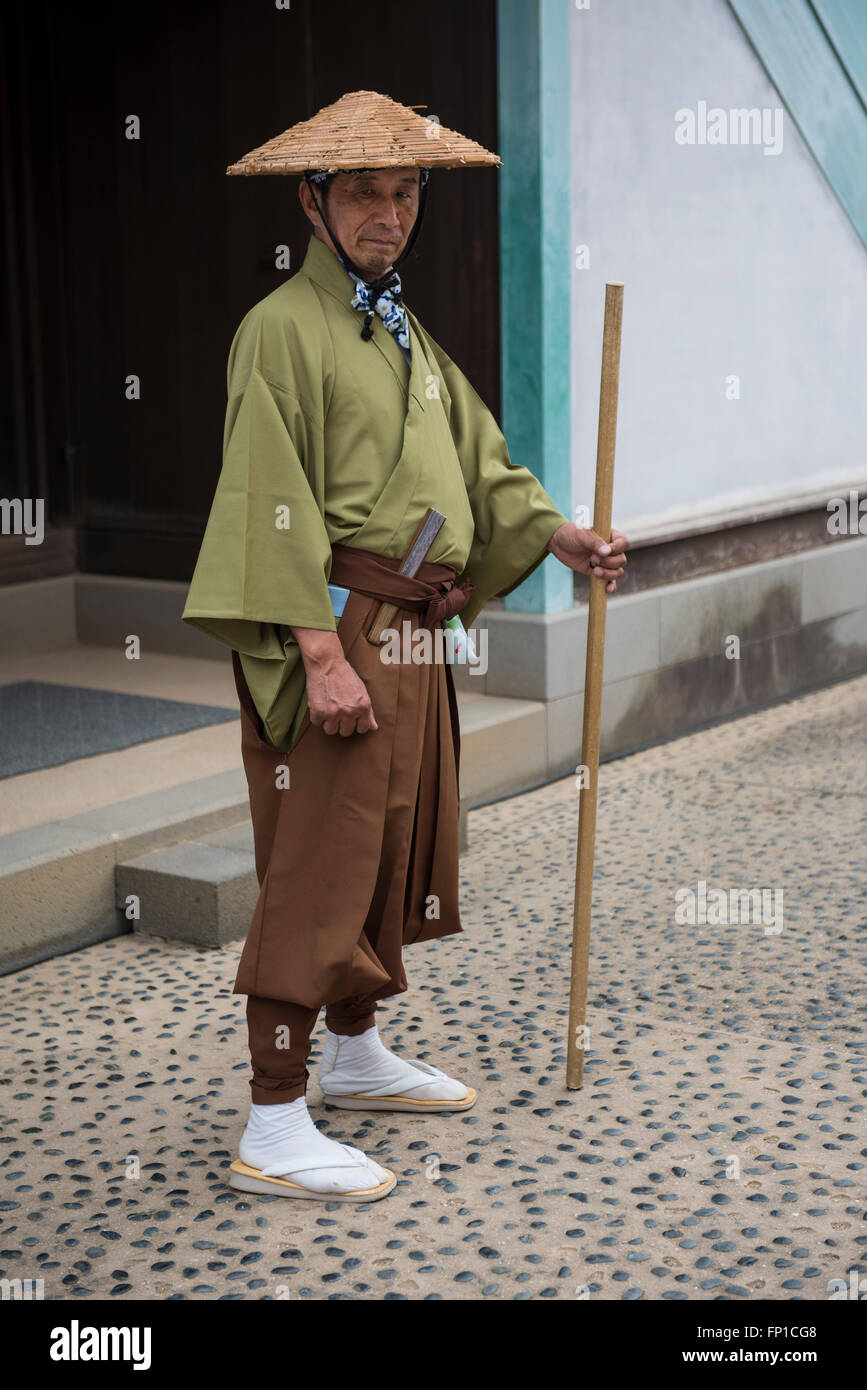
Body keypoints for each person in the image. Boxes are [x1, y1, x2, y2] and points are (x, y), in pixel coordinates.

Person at [182, 91, 629, 1202]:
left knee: (392, 839)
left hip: (414, 630)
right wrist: (316, 653)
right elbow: (266, 499)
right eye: (364, 194)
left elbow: (476, 457)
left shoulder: (400, 325)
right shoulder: (281, 328)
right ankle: (275, 1116)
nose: (387, 214)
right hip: (337, 623)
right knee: (320, 854)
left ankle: (352, 1045)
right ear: (314, 201)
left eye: (404, 191)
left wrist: (561, 535)